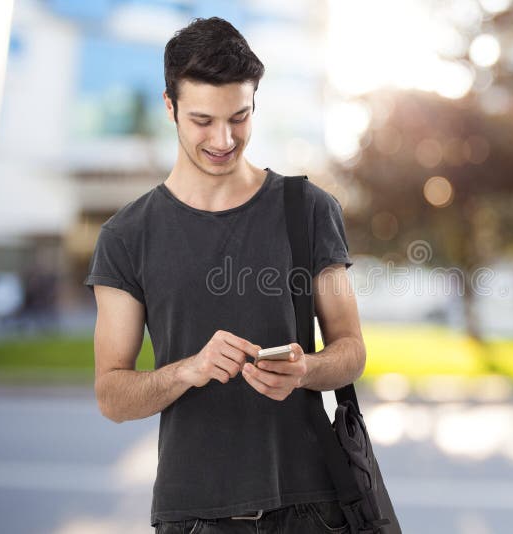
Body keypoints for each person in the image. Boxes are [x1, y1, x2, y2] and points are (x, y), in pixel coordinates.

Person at [84, 17, 365, 534]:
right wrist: (187, 370)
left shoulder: (309, 210)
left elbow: (351, 351)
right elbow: (112, 395)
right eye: (202, 120)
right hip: (192, 515)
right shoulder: (126, 237)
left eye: (239, 117)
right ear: (169, 107)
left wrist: (307, 370)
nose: (223, 138)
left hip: (311, 509)